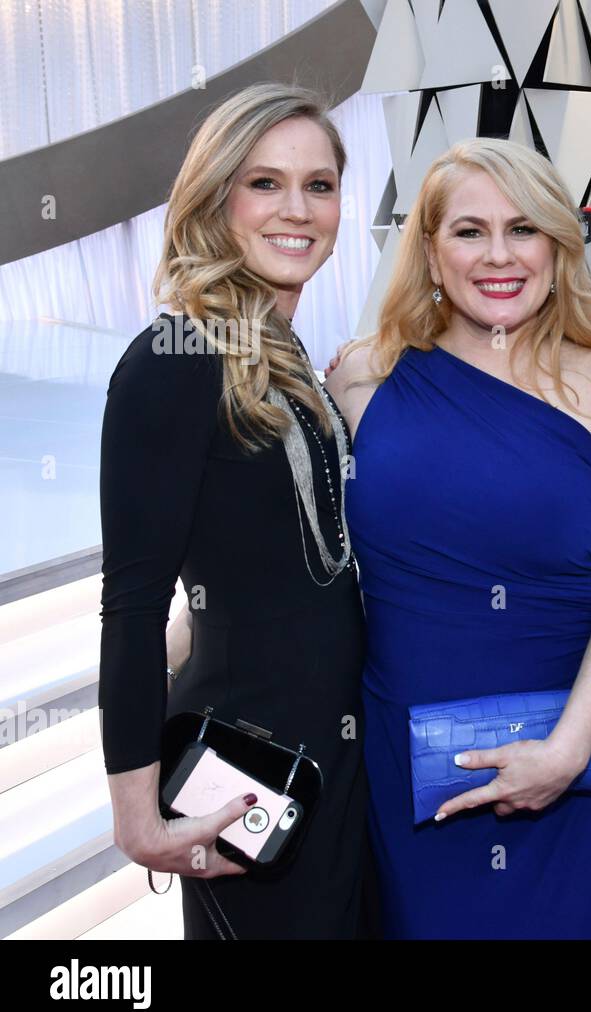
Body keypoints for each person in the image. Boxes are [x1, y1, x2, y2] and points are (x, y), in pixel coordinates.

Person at [324, 138, 591, 939]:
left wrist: (568, 751)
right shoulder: (363, 379)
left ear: (558, 246)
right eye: (470, 232)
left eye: (525, 229)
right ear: (431, 253)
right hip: (406, 776)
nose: (499, 255)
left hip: (572, 773)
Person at [98, 84, 369, 939]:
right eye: (266, 183)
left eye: (320, 185)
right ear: (217, 197)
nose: (299, 209)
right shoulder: (170, 361)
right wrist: (137, 816)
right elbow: (134, 606)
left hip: (340, 763)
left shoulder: (285, 354)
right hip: (249, 777)